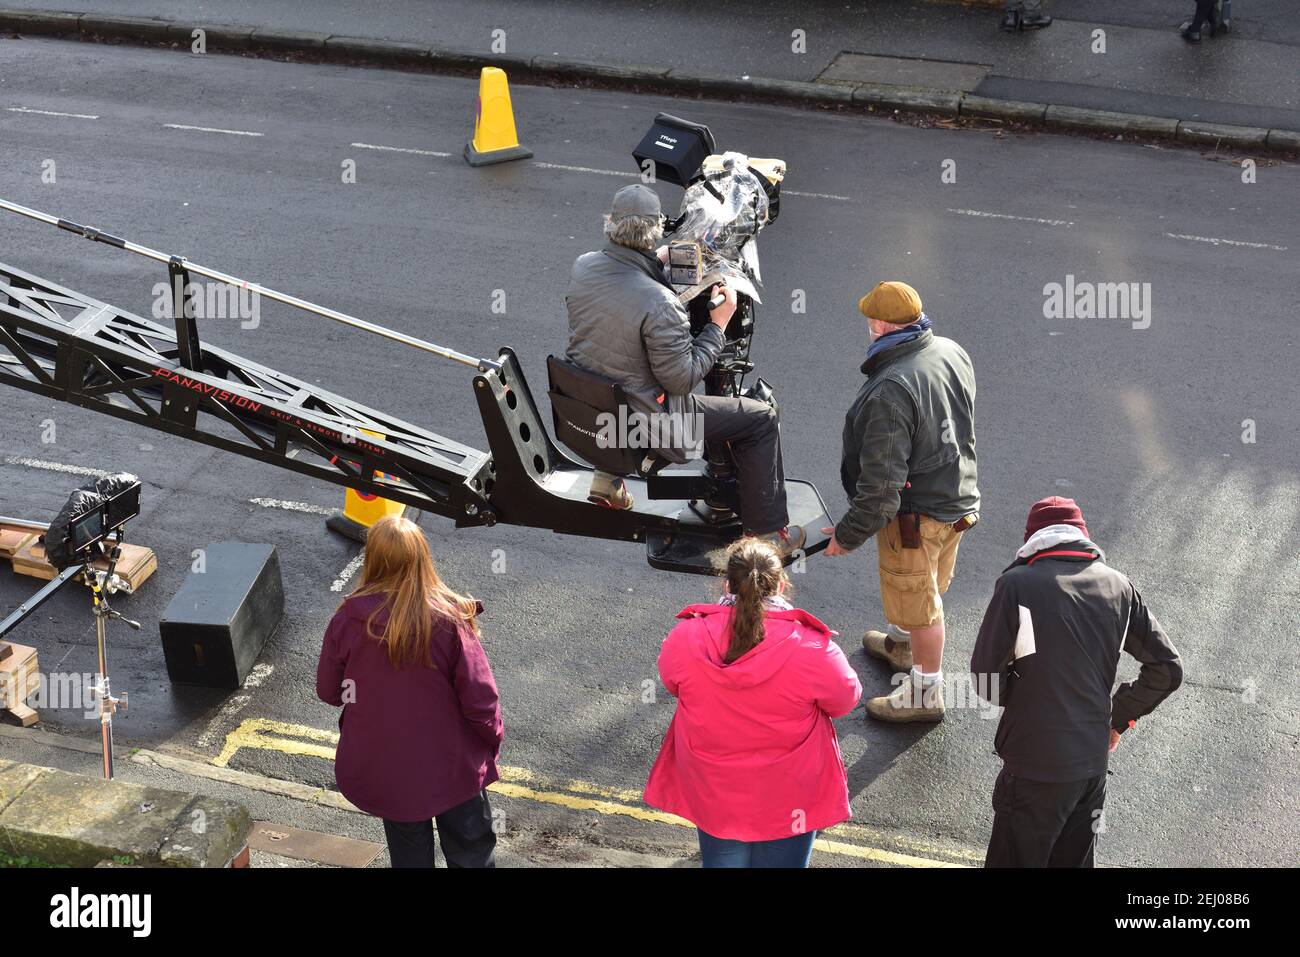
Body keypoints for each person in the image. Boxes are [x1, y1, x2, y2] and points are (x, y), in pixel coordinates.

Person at [565, 183, 804, 555]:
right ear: (656, 229)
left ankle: (607, 481)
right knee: (759, 419)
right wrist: (718, 325)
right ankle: (767, 538)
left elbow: (621, 318)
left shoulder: (584, 267)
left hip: (597, 410)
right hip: (650, 426)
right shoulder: (660, 302)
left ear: (611, 224)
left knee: (616, 363)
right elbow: (682, 377)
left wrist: (654, 263)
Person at [970, 497, 1183, 868]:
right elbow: (1167, 669)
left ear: (1033, 538)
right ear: (1081, 537)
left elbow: (985, 679)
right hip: (1090, 768)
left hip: (1034, 769)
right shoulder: (1119, 587)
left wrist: (1023, 698)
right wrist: (1117, 719)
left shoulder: (1016, 585)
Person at [643, 537, 862, 868]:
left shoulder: (686, 637)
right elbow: (845, 699)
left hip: (714, 788)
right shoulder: (814, 648)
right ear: (781, 584)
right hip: (790, 793)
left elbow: (673, 683)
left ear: (727, 582)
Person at [821, 280, 978, 723]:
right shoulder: (949, 349)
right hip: (957, 494)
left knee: (921, 602)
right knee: (923, 588)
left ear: (879, 324)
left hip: (916, 516)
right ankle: (900, 646)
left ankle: (925, 693)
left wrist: (848, 535)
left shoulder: (891, 389)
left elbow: (882, 489)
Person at [315, 516, 503, 868]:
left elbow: (329, 691)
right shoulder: (450, 621)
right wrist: (490, 742)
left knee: (410, 857)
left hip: (390, 770)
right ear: (422, 558)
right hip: (453, 767)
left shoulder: (347, 619)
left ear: (372, 560)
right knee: (471, 851)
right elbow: (480, 701)